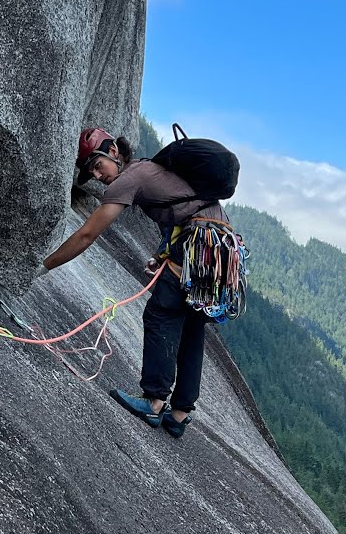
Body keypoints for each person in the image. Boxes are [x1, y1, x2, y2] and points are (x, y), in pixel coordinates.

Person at [37, 127, 234, 439]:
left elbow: (88, 233)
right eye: (90, 172)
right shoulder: (151, 171)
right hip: (220, 248)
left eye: (97, 166)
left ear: (114, 151)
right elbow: (180, 215)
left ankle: (154, 401)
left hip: (197, 243)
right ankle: (179, 413)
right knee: (192, 328)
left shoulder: (133, 176)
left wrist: (44, 266)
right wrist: (162, 254)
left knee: (162, 313)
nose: (98, 176)